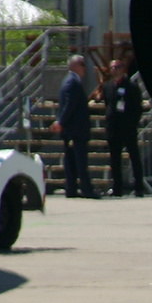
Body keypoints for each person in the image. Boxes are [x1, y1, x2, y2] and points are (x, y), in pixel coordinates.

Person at [51, 55, 96, 199]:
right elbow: (69, 105)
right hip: (75, 130)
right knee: (80, 161)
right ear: (74, 65)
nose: (85, 68)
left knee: (71, 161)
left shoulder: (70, 81)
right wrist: (61, 122)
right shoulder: (73, 82)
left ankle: (71, 189)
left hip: (72, 129)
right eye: (82, 64)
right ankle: (86, 190)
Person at [102, 59, 145, 198]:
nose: (114, 70)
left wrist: (133, 123)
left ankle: (139, 187)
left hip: (128, 127)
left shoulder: (131, 86)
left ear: (123, 69)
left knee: (134, 156)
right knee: (115, 159)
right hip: (113, 128)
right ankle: (117, 188)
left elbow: (138, 108)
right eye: (112, 67)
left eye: (117, 67)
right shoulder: (107, 86)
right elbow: (108, 104)